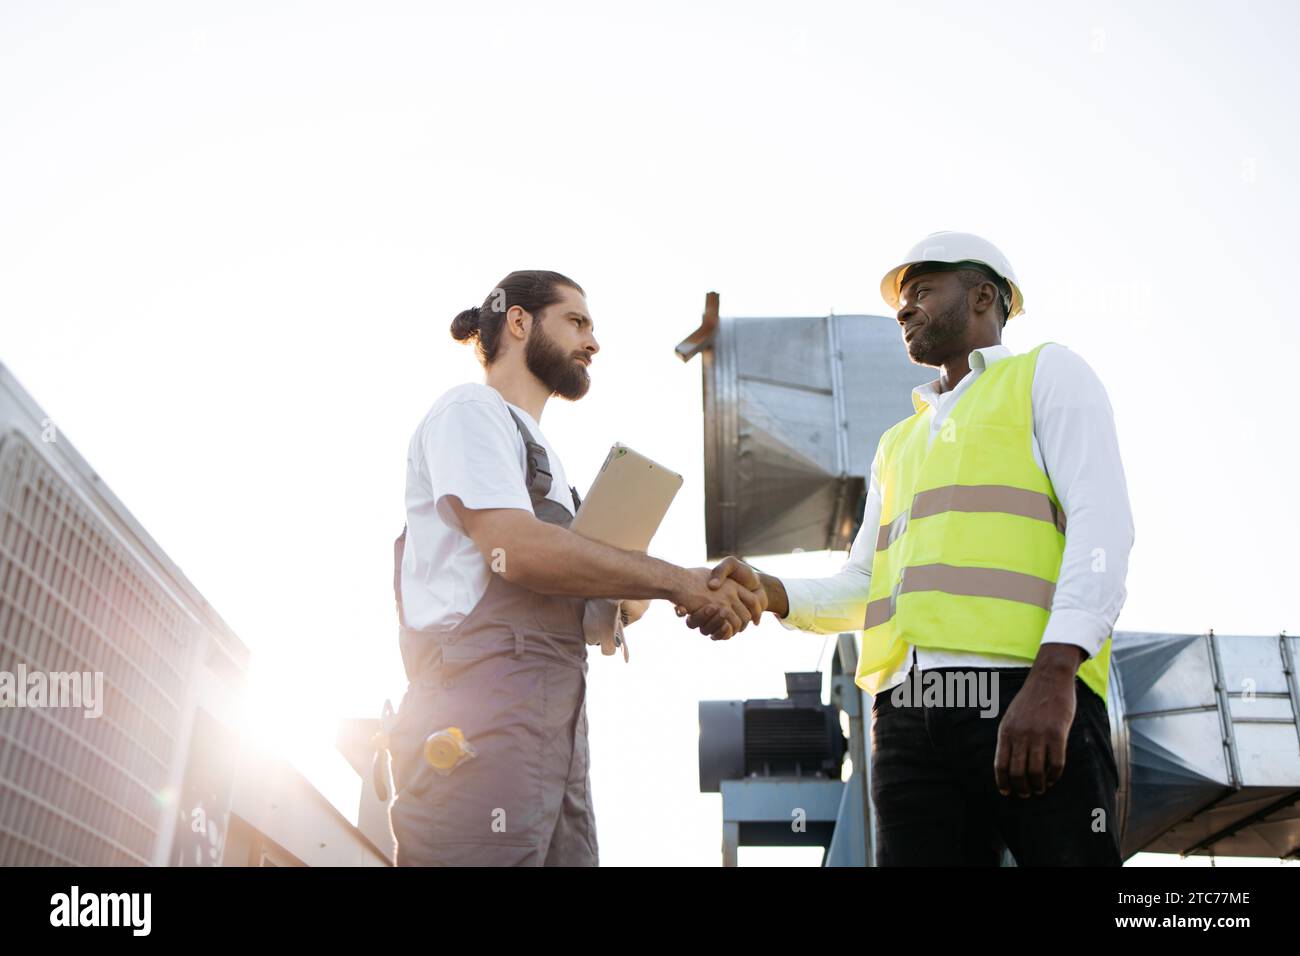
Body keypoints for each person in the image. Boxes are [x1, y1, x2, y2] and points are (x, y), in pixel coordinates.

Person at [684, 233, 1134, 865]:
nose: (903, 308)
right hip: (905, 718)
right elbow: (866, 584)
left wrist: (1055, 676)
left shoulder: (1047, 374)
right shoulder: (898, 443)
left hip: (1022, 693)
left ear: (983, 296)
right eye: (902, 297)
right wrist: (771, 591)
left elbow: (1103, 529)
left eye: (922, 290)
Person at [389, 269, 763, 866]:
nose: (593, 343)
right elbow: (520, 550)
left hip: (553, 727)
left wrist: (692, 584)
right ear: (519, 322)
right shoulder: (469, 411)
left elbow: (604, 609)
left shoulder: (552, 468)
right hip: (478, 715)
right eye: (577, 322)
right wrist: (675, 582)